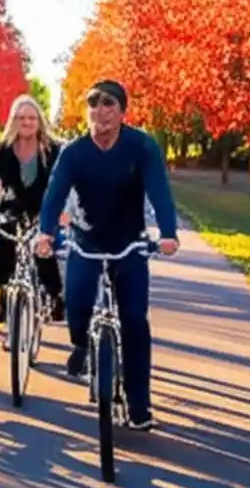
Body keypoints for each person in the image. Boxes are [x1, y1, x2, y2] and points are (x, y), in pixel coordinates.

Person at [35, 79, 180, 431]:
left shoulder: (141, 146)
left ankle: (139, 404)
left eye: (109, 105)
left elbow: (159, 190)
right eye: (94, 105)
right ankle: (83, 345)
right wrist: (45, 232)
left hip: (130, 243)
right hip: (87, 241)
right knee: (77, 307)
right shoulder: (74, 152)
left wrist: (169, 233)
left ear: (122, 112)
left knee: (134, 320)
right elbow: (55, 195)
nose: (100, 113)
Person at [0, 94, 68, 346]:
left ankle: (55, 297)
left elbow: (64, 184)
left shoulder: (53, 148)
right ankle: (3, 299)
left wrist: (64, 213)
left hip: (44, 209)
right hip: (13, 207)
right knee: (4, 250)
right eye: (22, 117)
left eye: (32, 118)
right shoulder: (5, 148)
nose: (27, 122)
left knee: (43, 251)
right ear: (14, 120)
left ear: (40, 121)